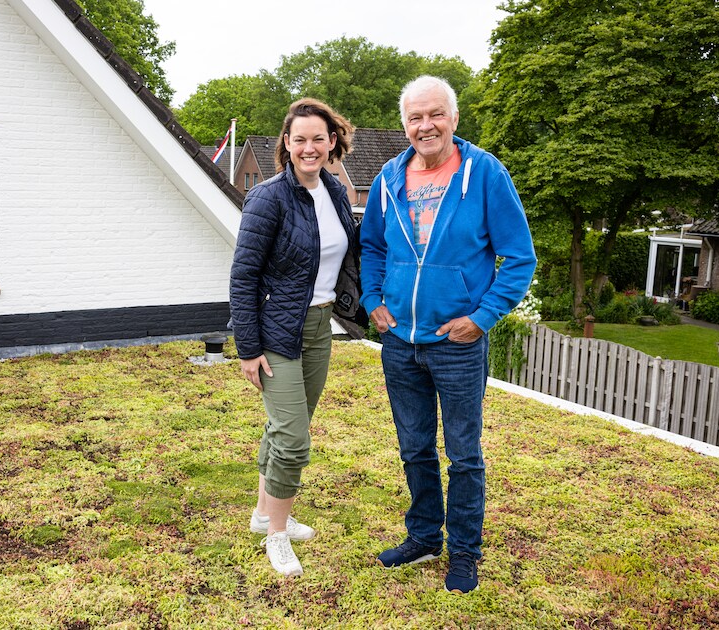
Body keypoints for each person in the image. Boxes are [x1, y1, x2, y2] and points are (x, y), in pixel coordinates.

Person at [359, 76, 536, 593]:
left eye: (435, 114)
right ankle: (422, 537)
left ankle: (463, 552)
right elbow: (370, 246)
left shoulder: (484, 175)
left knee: (464, 455)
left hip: (457, 346)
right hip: (400, 343)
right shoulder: (389, 177)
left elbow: (519, 258)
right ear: (405, 124)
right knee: (414, 447)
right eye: (415, 117)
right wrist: (373, 300)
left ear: (454, 119)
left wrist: (483, 317)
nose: (425, 125)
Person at [229, 98, 358, 577]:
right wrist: (248, 348)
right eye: (299, 139)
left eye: (318, 139)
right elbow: (243, 277)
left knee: (283, 427)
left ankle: (264, 513)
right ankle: (277, 537)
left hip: (321, 327)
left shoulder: (336, 192)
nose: (309, 147)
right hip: (276, 332)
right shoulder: (268, 197)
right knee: (293, 438)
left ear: (332, 143)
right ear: (286, 143)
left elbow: (348, 255)